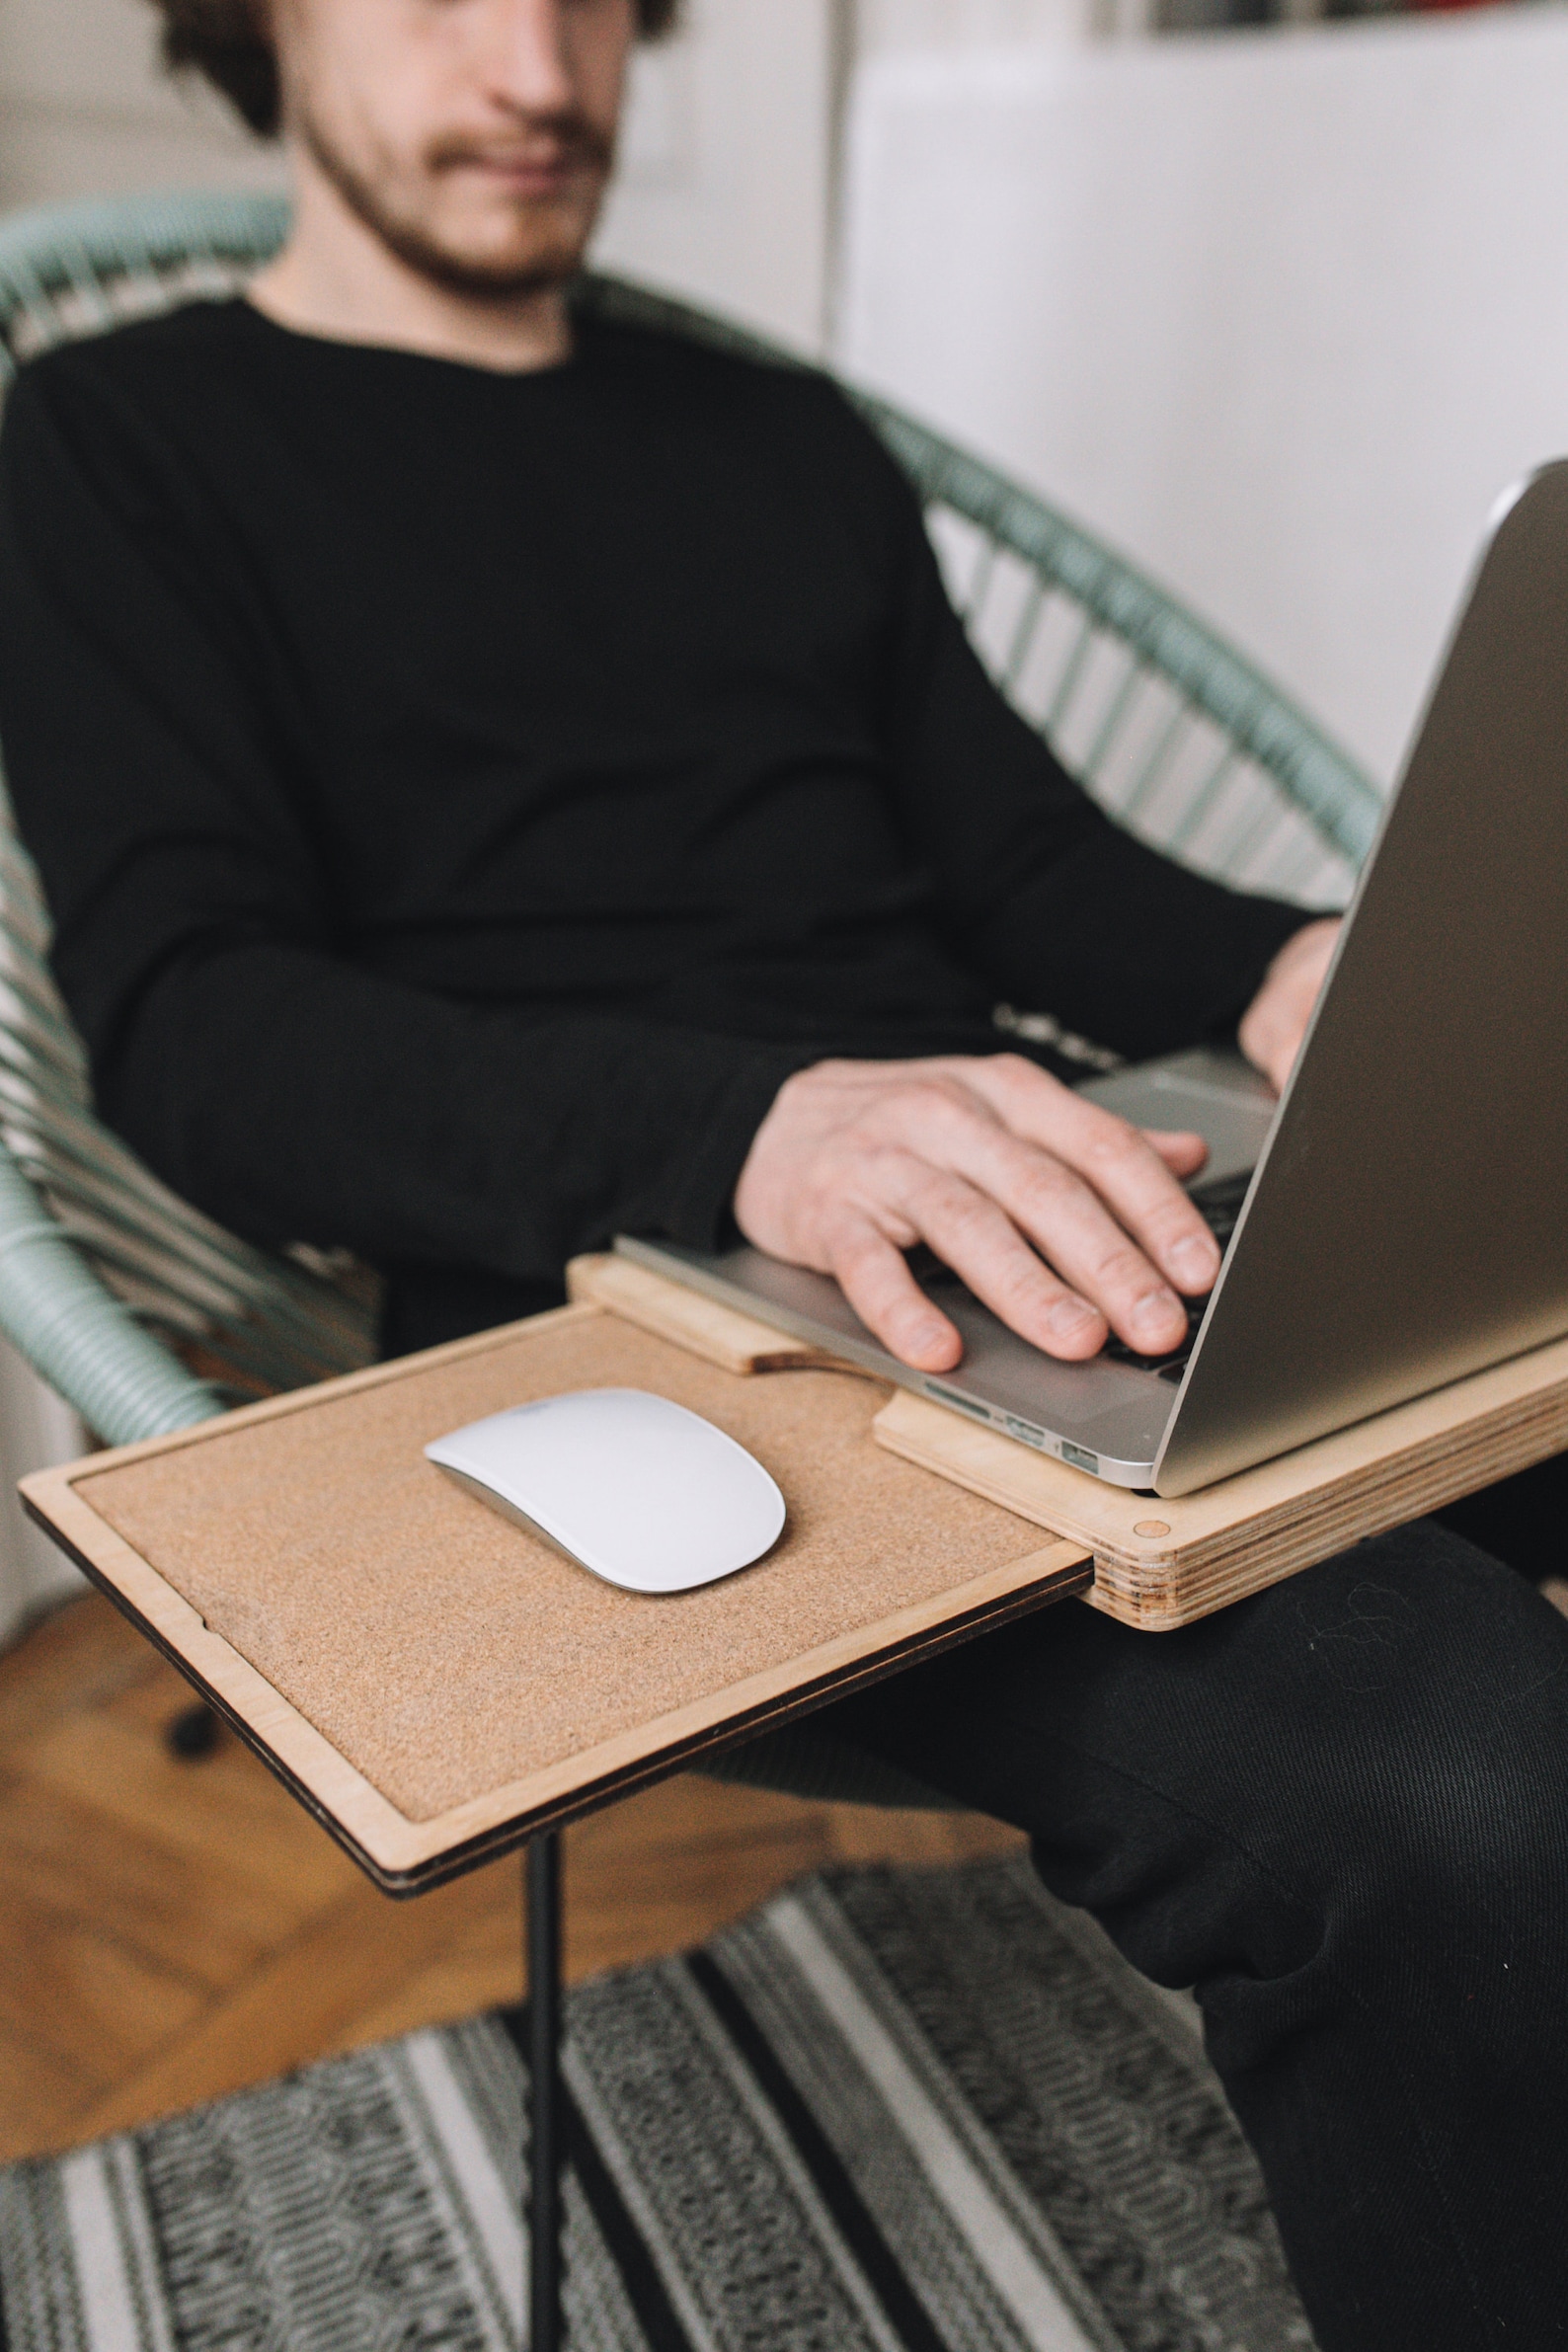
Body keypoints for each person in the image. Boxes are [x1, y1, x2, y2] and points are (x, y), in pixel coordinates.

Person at [0, 3, 1562, 2343]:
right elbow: (203, 1030)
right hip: (585, 1305)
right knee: (1424, 1775)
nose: (533, 64)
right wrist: (759, 1124)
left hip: (1024, 1190)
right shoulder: (111, 443)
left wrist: (1288, 964)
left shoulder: (771, 434)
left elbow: (1029, 870)